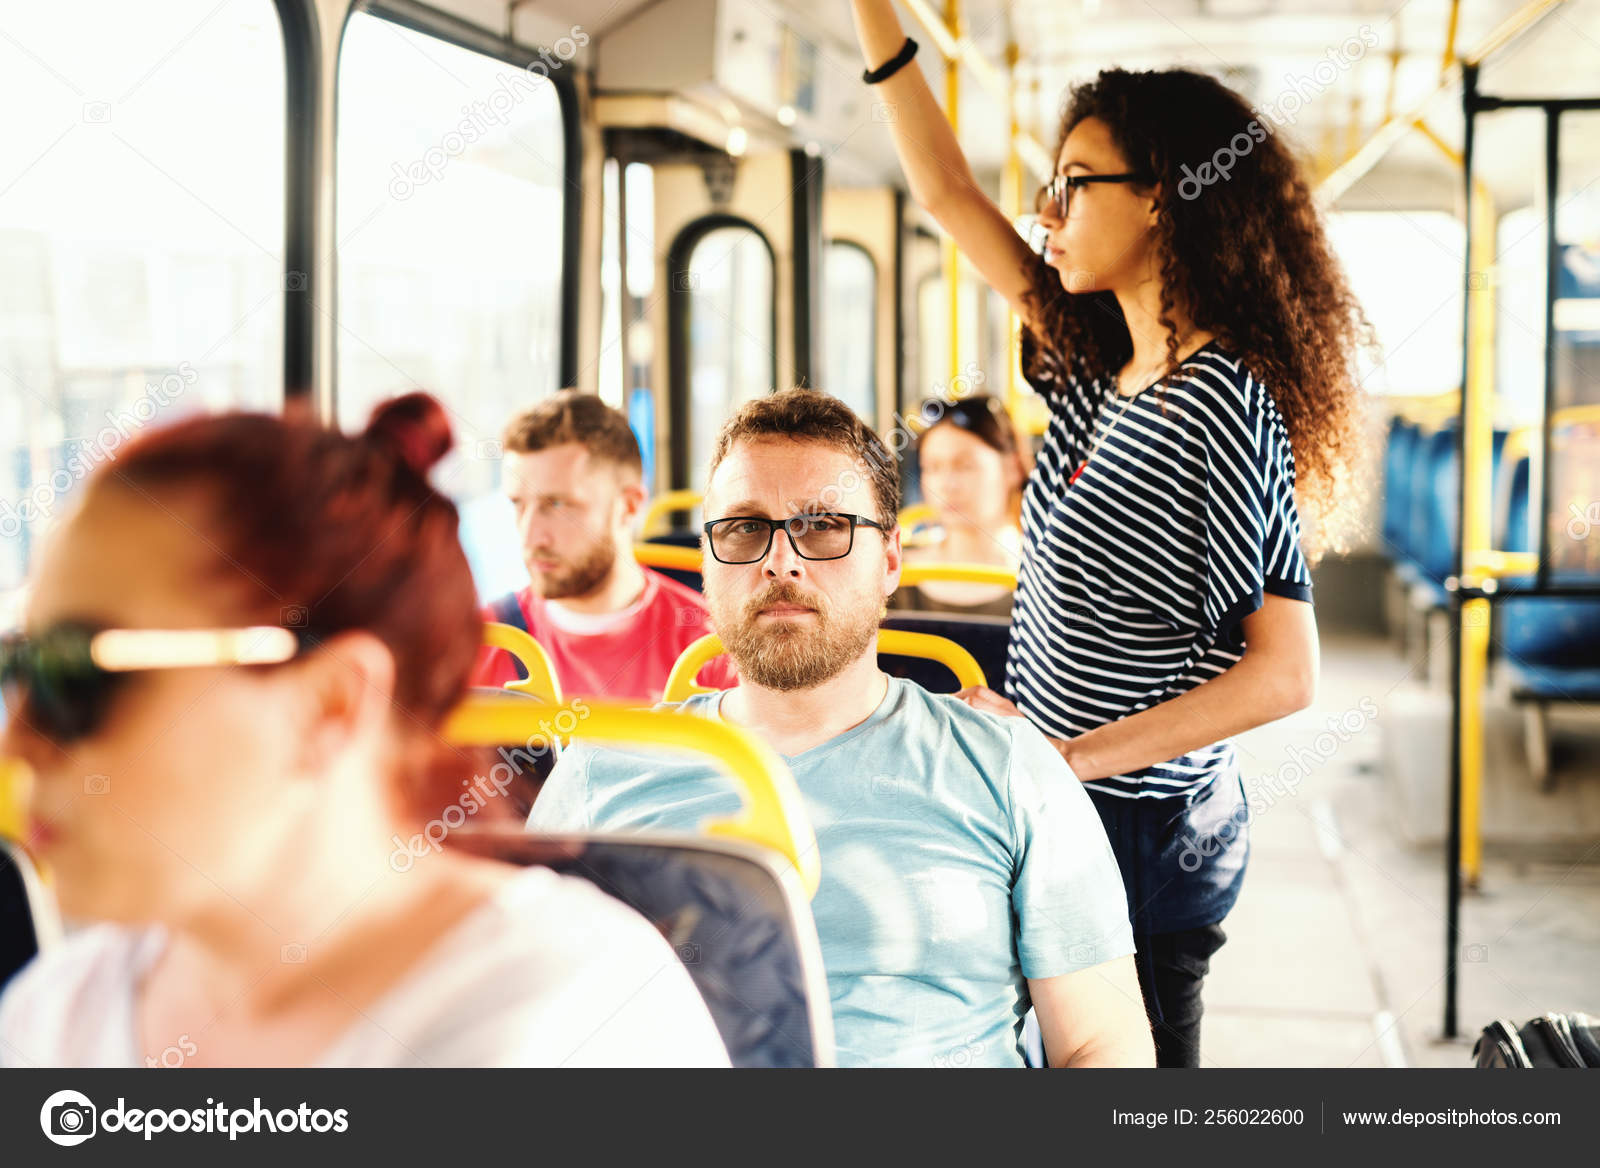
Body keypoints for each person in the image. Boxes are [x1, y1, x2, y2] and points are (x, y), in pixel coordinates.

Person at [850, 2, 1366, 1065]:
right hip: (1074, 798)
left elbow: (1284, 674)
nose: (1047, 211)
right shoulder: (1101, 368)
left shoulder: (1220, 401)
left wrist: (1062, 757)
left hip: (1143, 826)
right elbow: (946, 194)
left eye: (1075, 183)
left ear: (1163, 196)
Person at [0, 394, 728, 1068]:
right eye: (18, 668)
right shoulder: (55, 1011)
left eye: (77, 676)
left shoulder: (565, 1018)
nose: (17, 746)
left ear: (330, 705)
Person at [530, 389, 1153, 1068]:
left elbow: (1100, 1043)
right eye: (743, 528)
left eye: (824, 525)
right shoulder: (603, 771)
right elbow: (531, 1028)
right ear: (707, 563)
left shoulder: (1007, 770)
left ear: (890, 561)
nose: (780, 561)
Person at [471, 391, 734, 702]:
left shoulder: (711, 649)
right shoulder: (480, 643)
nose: (530, 536)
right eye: (518, 504)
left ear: (628, 506)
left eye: (557, 504)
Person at [892, 394, 1029, 618]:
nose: (947, 485)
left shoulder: (1047, 576)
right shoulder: (893, 575)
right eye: (933, 467)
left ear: (1013, 468)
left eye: (965, 466)